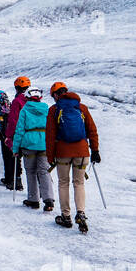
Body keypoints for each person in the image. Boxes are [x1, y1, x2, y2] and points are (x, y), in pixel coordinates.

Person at [44, 82, 100, 233]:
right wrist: (95, 150)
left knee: (63, 183)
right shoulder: (81, 108)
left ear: (56, 94)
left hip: (63, 152)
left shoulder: (54, 110)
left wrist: (50, 156)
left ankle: (66, 216)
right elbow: (92, 130)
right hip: (82, 152)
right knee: (79, 183)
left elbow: (50, 136)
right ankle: (81, 213)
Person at [10, 87, 54, 212]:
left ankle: (33, 199)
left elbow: (19, 130)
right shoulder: (46, 109)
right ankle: (48, 199)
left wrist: (15, 148)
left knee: (31, 171)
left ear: (28, 98)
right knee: (44, 171)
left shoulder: (25, 110)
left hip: (29, 143)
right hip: (44, 143)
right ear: (40, 97)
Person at [2, 75, 32, 191]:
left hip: (18, 133)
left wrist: (8, 136)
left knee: (14, 157)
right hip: (31, 133)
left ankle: (16, 181)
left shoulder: (17, 101)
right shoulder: (32, 100)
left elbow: (13, 120)